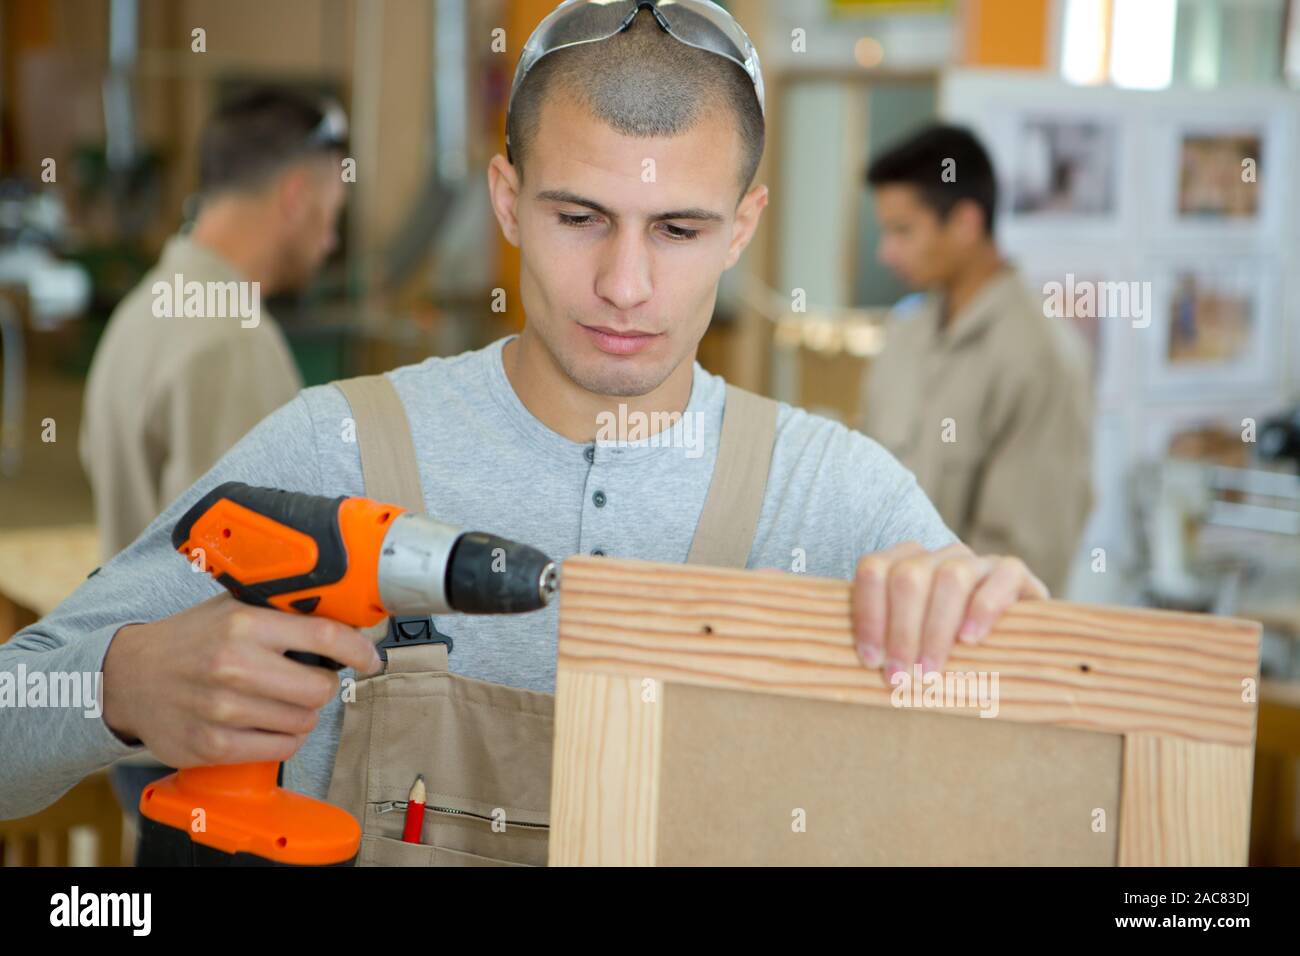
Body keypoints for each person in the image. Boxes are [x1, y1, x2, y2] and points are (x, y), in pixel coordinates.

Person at [2, 2, 1047, 826]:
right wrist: (119, 679)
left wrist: (1005, 638)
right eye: (578, 216)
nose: (625, 284)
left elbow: (1042, 789)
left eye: (678, 228)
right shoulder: (336, 447)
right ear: (507, 200)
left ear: (742, 227)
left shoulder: (841, 498)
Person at [76, 86, 349, 822]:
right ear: (296, 195)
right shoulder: (229, 339)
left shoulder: (144, 310)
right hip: (211, 750)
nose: (328, 243)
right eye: (330, 215)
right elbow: (257, 567)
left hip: (144, 727)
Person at [859, 123, 1093, 596]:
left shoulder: (1042, 356)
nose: (886, 252)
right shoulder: (905, 333)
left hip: (967, 647)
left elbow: (1028, 560)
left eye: (902, 231)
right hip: (874, 624)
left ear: (965, 223)